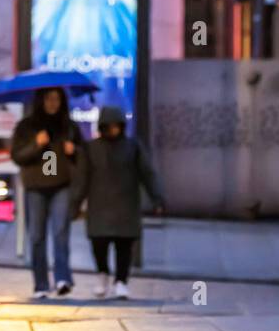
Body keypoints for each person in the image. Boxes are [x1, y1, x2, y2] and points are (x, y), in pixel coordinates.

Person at [70, 105, 164, 299]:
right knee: (99, 243)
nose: (113, 129)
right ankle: (102, 274)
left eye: (116, 125)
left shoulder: (133, 147)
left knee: (124, 245)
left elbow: (147, 173)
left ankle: (121, 280)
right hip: (99, 204)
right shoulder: (91, 148)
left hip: (126, 204)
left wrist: (157, 198)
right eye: (109, 125)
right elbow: (82, 178)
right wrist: (75, 203)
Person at [9, 86, 83, 297]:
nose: (53, 103)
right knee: (37, 236)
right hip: (35, 187)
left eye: (57, 99)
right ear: (41, 101)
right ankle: (41, 284)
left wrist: (74, 151)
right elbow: (17, 155)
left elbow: (83, 155)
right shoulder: (26, 127)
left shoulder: (68, 127)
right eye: (49, 99)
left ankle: (62, 278)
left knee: (61, 232)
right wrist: (36, 144)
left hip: (61, 185)